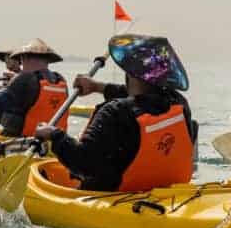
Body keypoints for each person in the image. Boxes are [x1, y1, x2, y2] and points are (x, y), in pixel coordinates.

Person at [34, 34, 197, 192]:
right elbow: (143, 99)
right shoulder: (179, 102)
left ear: (131, 74)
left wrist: (54, 135)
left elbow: (83, 164)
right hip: (164, 189)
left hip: (115, 194)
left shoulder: (115, 112)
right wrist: (97, 87)